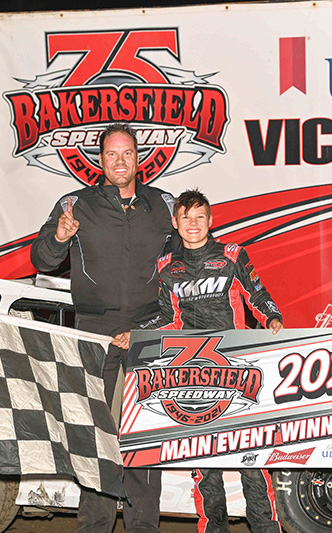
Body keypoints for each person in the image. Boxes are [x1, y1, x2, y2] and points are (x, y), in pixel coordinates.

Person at [31, 123, 174, 533]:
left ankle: (144, 525)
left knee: (144, 434)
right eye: (111, 154)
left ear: (138, 156)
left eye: (126, 153)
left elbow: (190, 259)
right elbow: (40, 259)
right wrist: (59, 236)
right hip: (95, 330)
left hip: (150, 329)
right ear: (100, 160)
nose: (119, 162)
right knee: (97, 436)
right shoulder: (76, 204)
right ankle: (94, 526)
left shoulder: (163, 204)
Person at [114, 189, 283, 533]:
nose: (193, 224)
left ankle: (267, 529)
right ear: (175, 223)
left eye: (200, 217)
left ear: (211, 220)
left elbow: (258, 296)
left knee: (253, 460)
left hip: (238, 370)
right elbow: (167, 318)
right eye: (186, 218)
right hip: (193, 377)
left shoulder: (233, 255)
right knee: (206, 465)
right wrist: (136, 333)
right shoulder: (167, 267)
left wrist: (273, 320)